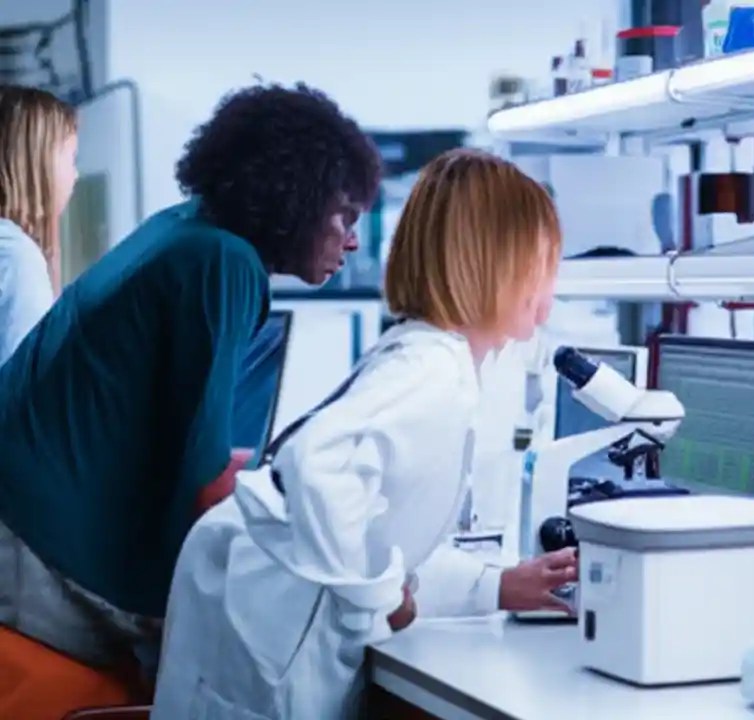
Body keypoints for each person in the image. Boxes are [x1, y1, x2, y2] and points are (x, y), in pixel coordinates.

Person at [153, 149, 579, 718]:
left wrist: (495, 587)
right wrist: (380, 600)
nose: (550, 286)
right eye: (546, 262)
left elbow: (382, 539)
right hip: (273, 622)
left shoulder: (427, 352)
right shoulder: (433, 370)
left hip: (258, 596)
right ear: (504, 264)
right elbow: (317, 465)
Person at [0, 83, 381, 684]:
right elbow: (203, 481)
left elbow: (166, 428)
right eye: (345, 216)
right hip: (40, 545)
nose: (353, 240)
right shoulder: (224, 263)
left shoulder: (182, 230)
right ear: (296, 198)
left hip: (24, 518)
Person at [0, 84, 78, 363]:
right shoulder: (17, 259)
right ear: (38, 163)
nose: (75, 175)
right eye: (71, 159)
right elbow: (23, 391)